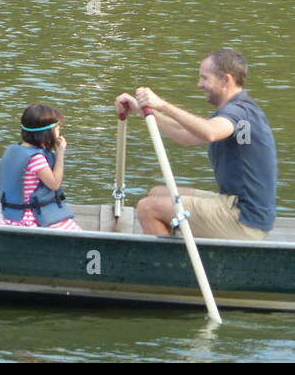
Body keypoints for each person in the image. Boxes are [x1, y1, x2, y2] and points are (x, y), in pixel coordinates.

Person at [116, 49, 276, 241]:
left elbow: (209, 132)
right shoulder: (237, 112)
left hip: (243, 219)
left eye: (204, 78)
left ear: (226, 80)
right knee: (157, 193)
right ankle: (180, 250)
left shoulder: (238, 112)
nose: (199, 84)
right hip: (239, 208)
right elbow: (186, 136)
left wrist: (162, 105)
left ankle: (172, 268)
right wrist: (143, 111)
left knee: (147, 208)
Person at [0, 104, 82, 231]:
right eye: (58, 128)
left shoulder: (14, 150)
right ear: (49, 132)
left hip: (10, 219)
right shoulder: (36, 158)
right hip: (32, 220)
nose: (59, 133)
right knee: (76, 232)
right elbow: (54, 184)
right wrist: (60, 153)